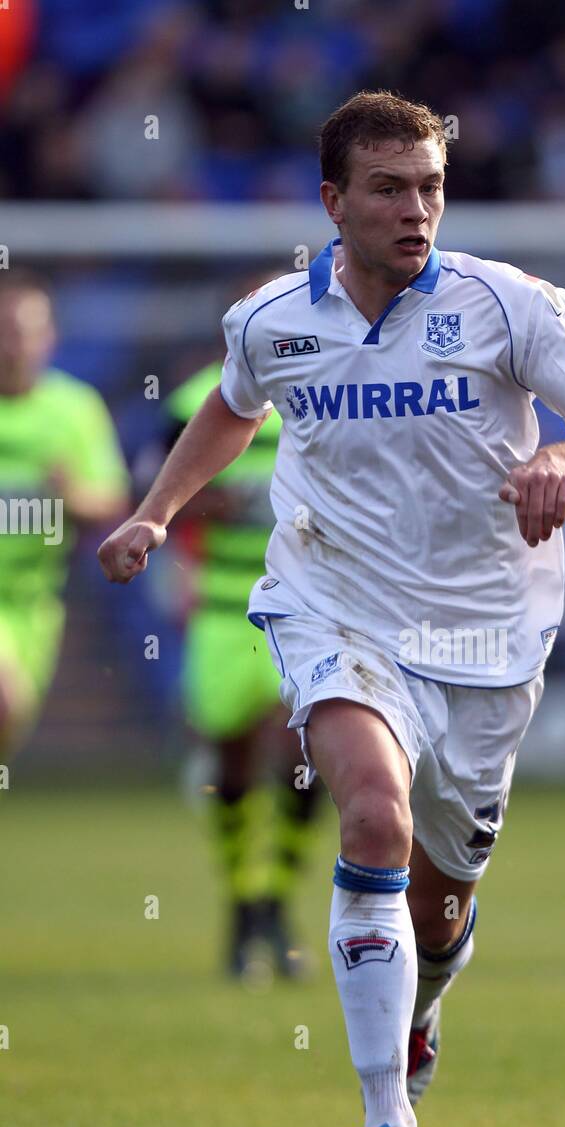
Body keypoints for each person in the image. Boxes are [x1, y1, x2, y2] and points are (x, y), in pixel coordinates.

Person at [98, 90, 565, 1127]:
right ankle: (384, 1115)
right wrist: (157, 512)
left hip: (488, 640)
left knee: (440, 905)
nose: (418, 211)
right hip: (335, 607)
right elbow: (230, 408)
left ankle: (423, 1000)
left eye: (433, 187)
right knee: (368, 817)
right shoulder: (275, 319)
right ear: (333, 202)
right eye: (391, 189)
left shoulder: (511, 305)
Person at [152, 341, 322, 979]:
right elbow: (162, 491)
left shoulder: (329, 383)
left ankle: (277, 897)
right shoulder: (193, 401)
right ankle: (242, 901)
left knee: (308, 756)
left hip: (306, 608)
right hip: (224, 611)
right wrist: (207, 505)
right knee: (232, 759)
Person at [0, 270, 128, 759]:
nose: (15, 347)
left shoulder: (74, 410)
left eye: (26, 333)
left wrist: (70, 495)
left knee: (9, 720)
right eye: (5, 333)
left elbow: (112, 507)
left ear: (48, 338)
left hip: (34, 602)